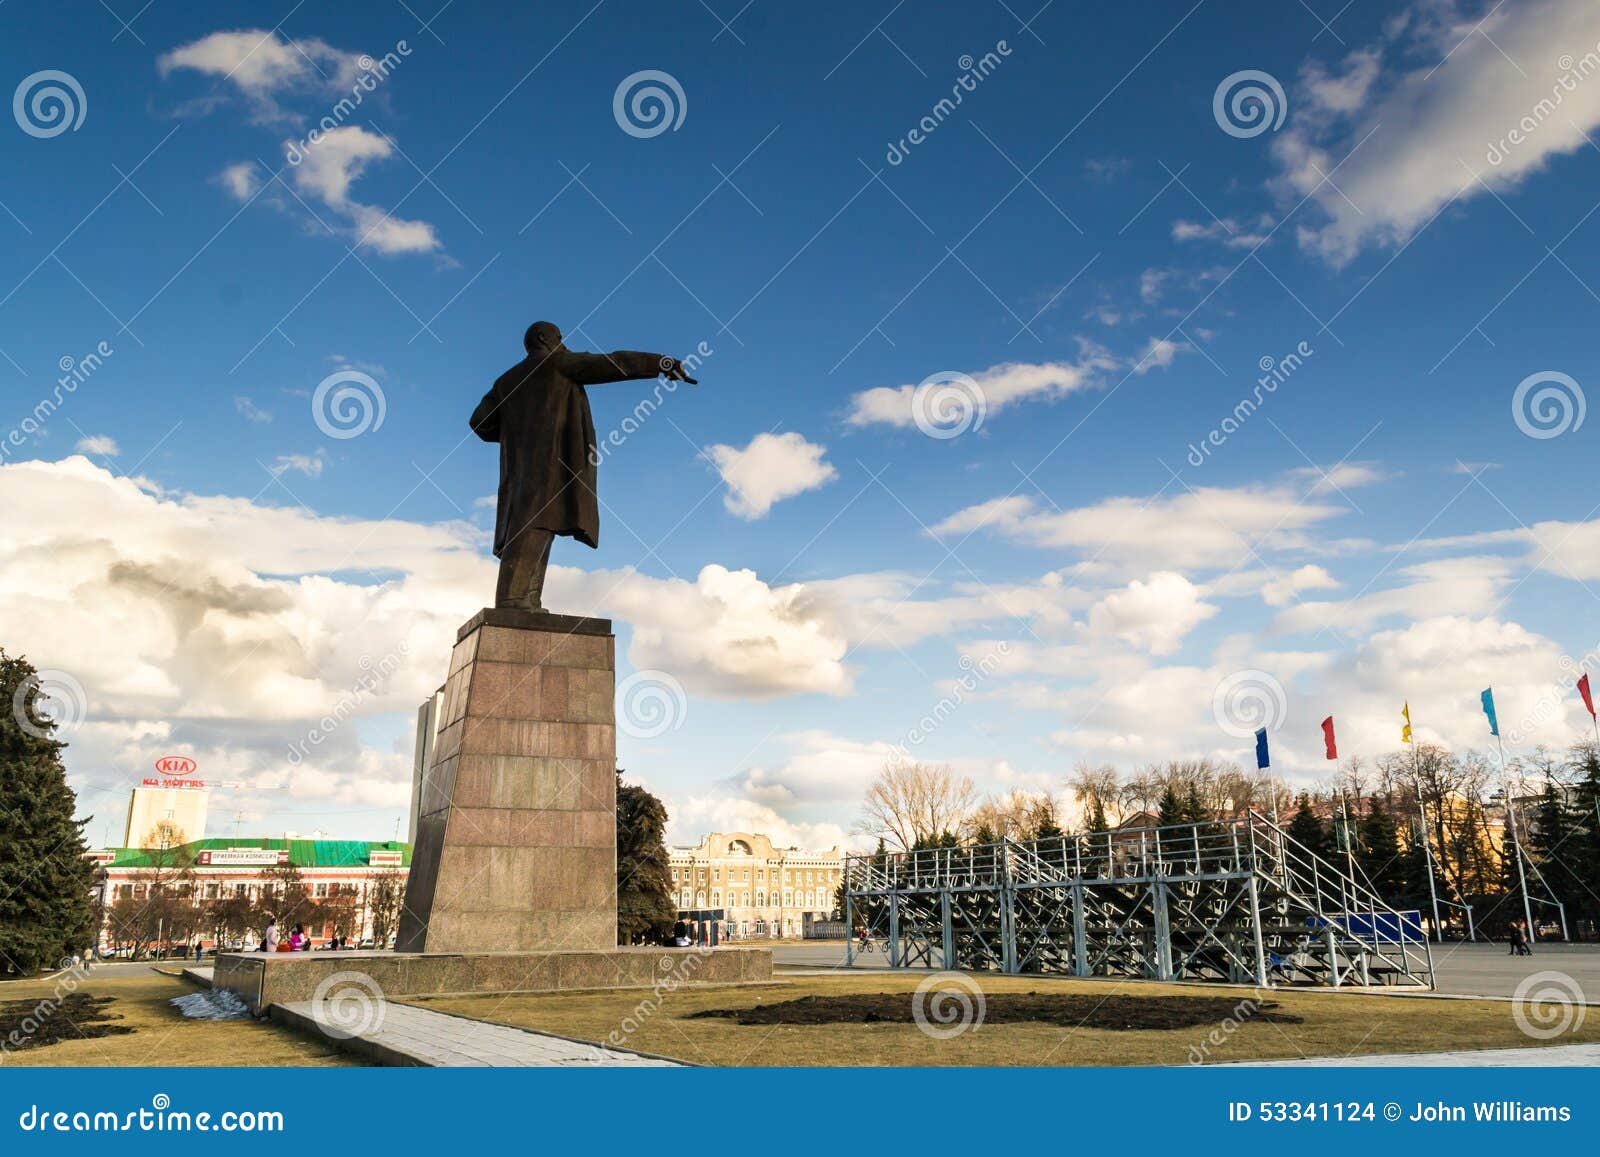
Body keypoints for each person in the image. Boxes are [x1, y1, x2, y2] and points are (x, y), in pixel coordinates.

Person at [470, 321, 699, 612]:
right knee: (536, 523)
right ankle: (512, 599)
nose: (563, 342)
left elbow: (479, 421)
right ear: (543, 338)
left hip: (519, 471)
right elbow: (615, 363)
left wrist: (517, 431)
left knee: (541, 525)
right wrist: (662, 363)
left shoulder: (506, 381)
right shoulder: (557, 363)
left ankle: (527, 599)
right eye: (559, 337)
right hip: (551, 463)